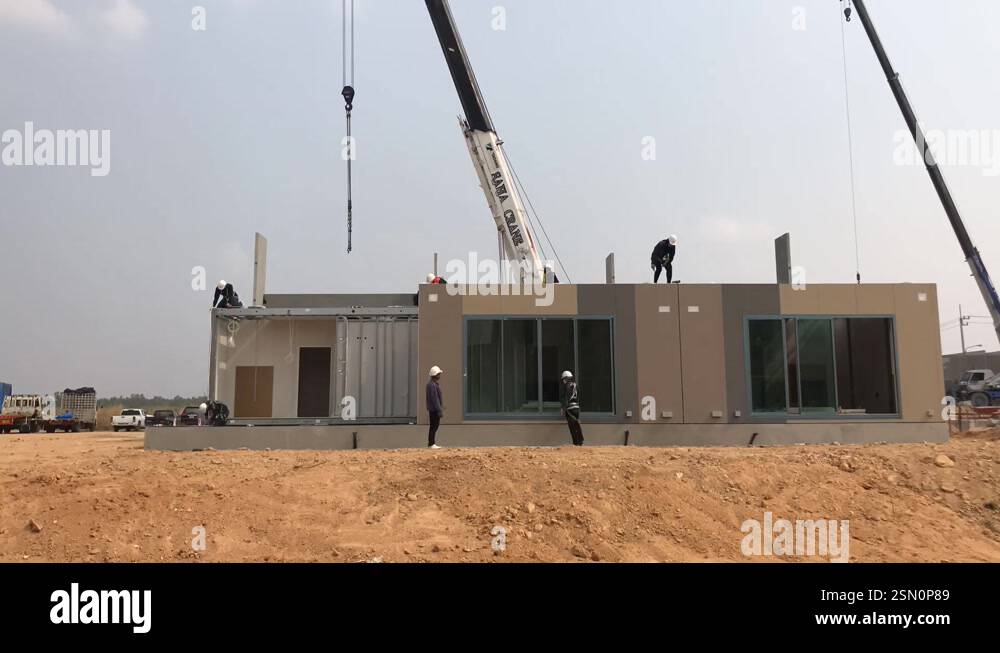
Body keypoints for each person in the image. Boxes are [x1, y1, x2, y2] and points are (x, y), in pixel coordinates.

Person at [560, 370, 584, 447]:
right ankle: (580, 441)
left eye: (564, 379)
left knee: (572, 427)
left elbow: (566, 398)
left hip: (570, 408)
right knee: (576, 424)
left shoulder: (566, 386)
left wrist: (563, 408)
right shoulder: (575, 385)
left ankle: (576, 442)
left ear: (566, 378)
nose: (563, 381)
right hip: (576, 407)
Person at [426, 366, 444, 449]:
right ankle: (431, 443)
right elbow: (435, 399)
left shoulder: (432, 384)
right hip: (434, 410)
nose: (440, 375)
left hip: (433, 409)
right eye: (439, 374)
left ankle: (431, 443)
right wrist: (439, 410)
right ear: (435, 375)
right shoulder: (432, 385)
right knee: (434, 426)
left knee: (433, 426)